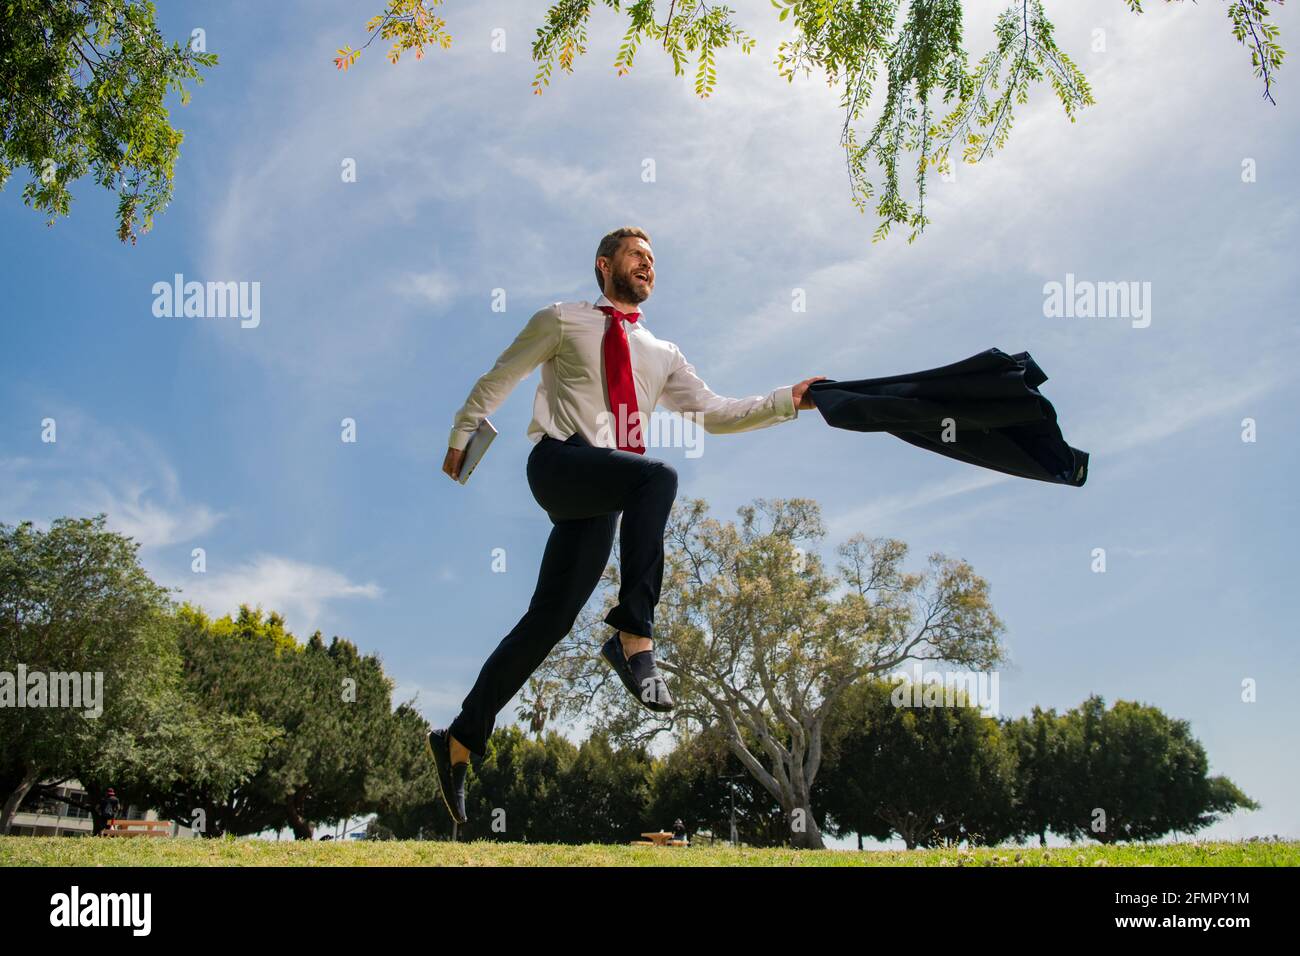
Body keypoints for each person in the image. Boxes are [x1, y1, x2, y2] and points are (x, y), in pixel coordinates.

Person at [426, 227, 826, 825]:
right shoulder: (562, 320)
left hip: (603, 497)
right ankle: (633, 637)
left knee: (548, 623)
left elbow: (716, 414)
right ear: (604, 264)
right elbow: (501, 376)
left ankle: (458, 741)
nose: (649, 265)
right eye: (638, 256)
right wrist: (463, 433)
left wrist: (787, 400)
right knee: (656, 477)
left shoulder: (662, 354)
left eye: (655, 260)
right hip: (559, 463)